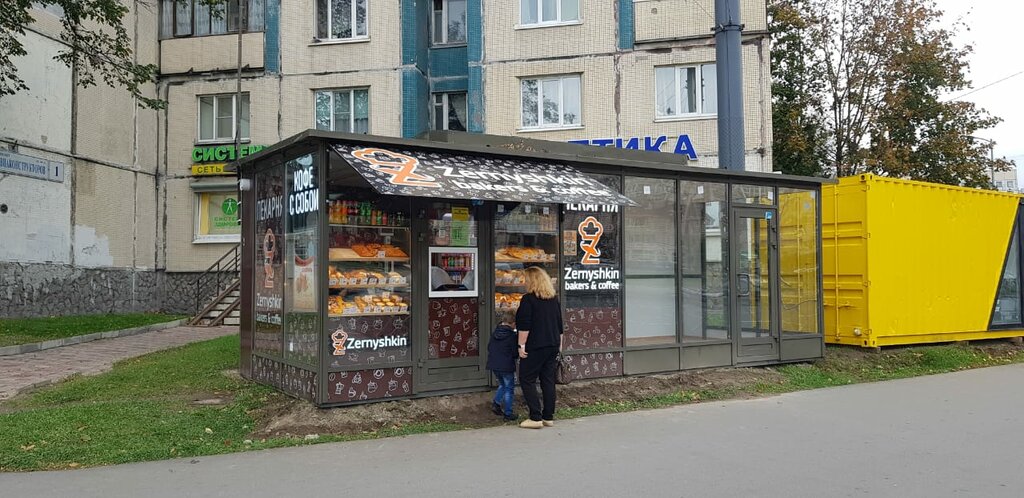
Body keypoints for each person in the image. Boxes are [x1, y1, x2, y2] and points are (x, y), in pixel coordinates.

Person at [515, 266, 564, 429]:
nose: (524, 282)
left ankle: (535, 417)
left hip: (535, 346)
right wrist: (559, 346)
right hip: (552, 344)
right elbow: (560, 325)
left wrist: (521, 345)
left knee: (526, 379)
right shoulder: (553, 299)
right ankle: (548, 416)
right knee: (548, 380)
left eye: (526, 279)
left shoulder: (528, 300)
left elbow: (524, 326)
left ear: (532, 281)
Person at [486, 310, 518, 422]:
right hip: (506, 365)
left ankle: (496, 403)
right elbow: (515, 352)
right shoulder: (512, 336)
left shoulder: (495, 333)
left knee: (503, 385)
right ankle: (508, 413)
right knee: (509, 388)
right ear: (513, 323)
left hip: (494, 364)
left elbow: (489, 347)